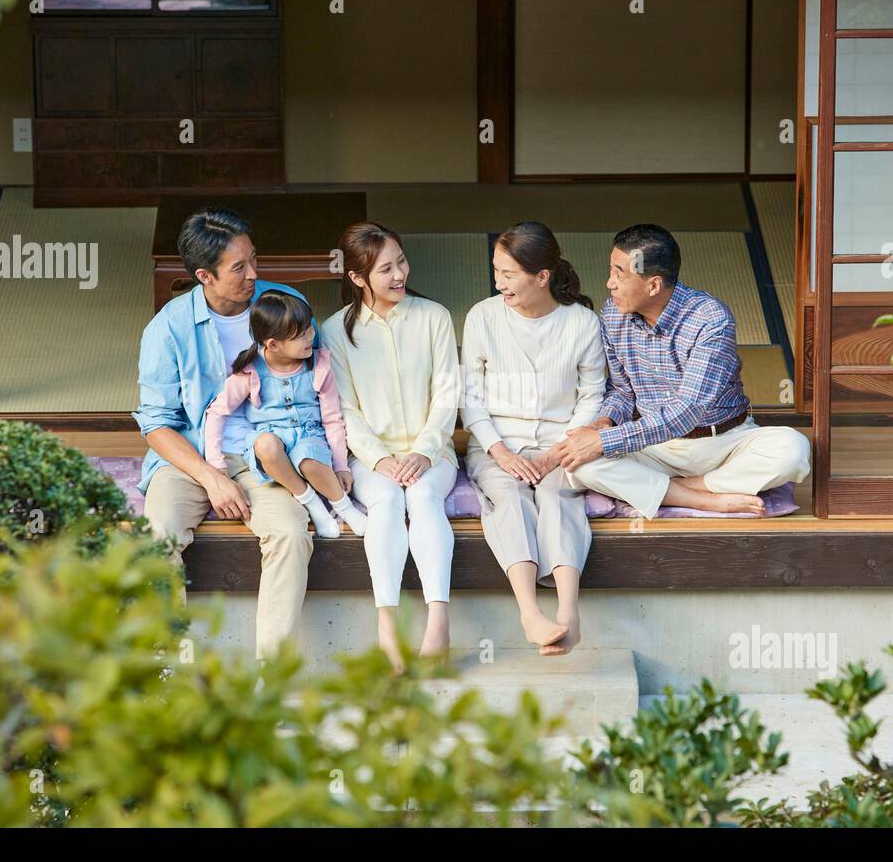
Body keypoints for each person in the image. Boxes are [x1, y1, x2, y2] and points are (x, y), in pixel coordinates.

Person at [133, 207, 317, 660]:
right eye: (240, 268)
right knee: (157, 538)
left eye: (253, 259)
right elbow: (156, 424)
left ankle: (270, 681)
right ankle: (168, 671)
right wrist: (213, 477)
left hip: (268, 452)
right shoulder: (169, 328)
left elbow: (320, 385)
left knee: (292, 533)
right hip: (191, 457)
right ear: (204, 276)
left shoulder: (282, 304)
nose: (254, 274)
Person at [558, 223, 811, 518]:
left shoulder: (710, 319)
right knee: (580, 464)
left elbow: (686, 412)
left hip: (724, 443)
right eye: (611, 271)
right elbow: (623, 392)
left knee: (792, 450)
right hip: (654, 445)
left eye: (619, 274)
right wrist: (604, 421)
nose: (609, 283)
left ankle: (678, 488)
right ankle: (707, 499)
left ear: (653, 285)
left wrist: (606, 440)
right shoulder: (614, 314)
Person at [320, 222, 461, 672]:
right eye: (386, 269)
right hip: (369, 457)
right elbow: (343, 408)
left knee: (421, 496)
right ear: (358, 278)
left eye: (401, 261)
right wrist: (380, 458)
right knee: (383, 502)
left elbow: (447, 392)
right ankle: (388, 628)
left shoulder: (433, 316)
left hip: (431, 452)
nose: (399, 273)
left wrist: (423, 450)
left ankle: (438, 623)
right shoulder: (335, 331)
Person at [461, 221, 606, 656]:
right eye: (496, 271)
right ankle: (529, 612)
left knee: (559, 494)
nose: (498, 282)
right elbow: (469, 396)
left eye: (508, 274)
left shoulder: (581, 322)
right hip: (497, 443)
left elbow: (593, 395)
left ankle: (568, 612)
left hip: (560, 444)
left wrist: (559, 451)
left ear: (542, 276)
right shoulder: (483, 317)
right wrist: (500, 452)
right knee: (508, 496)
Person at [202, 290, 367, 539]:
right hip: (272, 447)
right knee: (265, 444)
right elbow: (217, 412)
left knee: (308, 458)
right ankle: (313, 504)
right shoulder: (250, 371)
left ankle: (343, 507)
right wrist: (216, 463)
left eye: (310, 329)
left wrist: (340, 465)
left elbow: (332, 418)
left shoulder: (318, 365)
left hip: (309, 437)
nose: (311, 337)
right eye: (301, 335)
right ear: (273, 345)